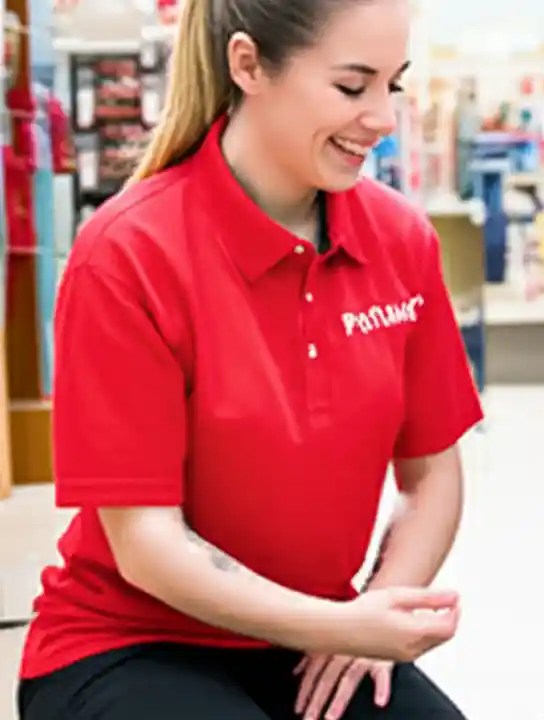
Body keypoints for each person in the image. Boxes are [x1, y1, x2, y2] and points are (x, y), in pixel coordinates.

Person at [15, 0, 484, 718]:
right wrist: (337, 624)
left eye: (394, 84)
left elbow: (433, 474)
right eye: (352, 87)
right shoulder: (129, 253)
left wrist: (377, 613)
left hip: (316, 638)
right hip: (130, 642)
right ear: (247, 65)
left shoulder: (401, 242)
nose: (385, 119)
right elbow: (145, 541)